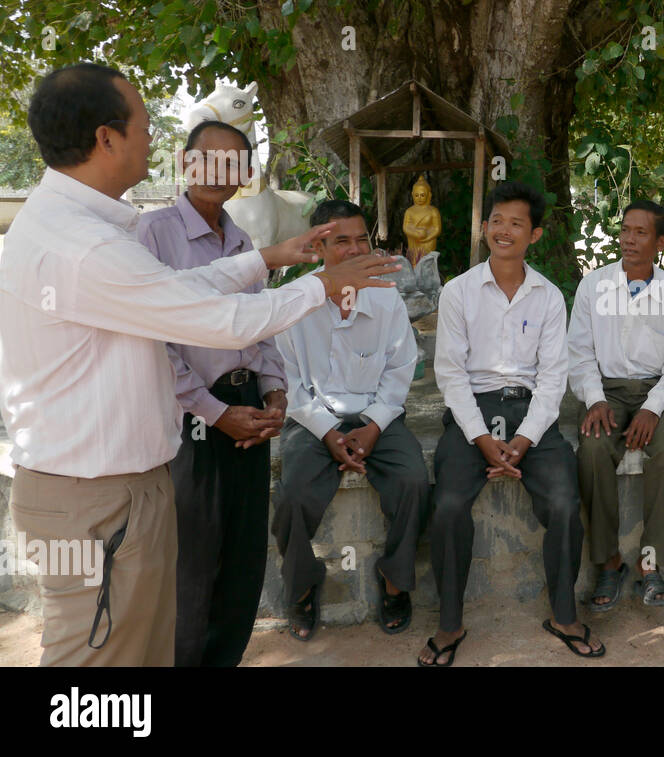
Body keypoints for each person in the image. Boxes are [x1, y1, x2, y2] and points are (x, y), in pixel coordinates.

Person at [0, 63, 398, 666]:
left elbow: (186, 288)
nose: (153, 139)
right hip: (96, 496)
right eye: (142, 125)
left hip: (111, 488)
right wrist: (322, 284)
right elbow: (216, 319)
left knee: (136, 646)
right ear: (107, 139)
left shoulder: (83, 229)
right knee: (94, 662)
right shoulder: (89, 246)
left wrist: (263, 258)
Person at [422, 180, 597, 666]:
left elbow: (553, 377)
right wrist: (480, 439)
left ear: (534, 235)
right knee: (449, 505)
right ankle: (450, 623)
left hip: (530, 417)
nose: (505, 230)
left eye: (517, 223)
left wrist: (522, 439)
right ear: (483, 228)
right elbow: (451, 375)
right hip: (471, 414)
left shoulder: (548, 297)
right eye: (496, 221)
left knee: (564, 502)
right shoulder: (458, 292)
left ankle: (564, 615)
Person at [136, 120, 291, 666]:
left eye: (234, 163)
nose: (220, 172)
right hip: (193, 422)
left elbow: (260, 329)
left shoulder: (244, 243)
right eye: (209, 158)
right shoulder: (151, 234)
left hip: (249, 415)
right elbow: (153, 340)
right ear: (186, 161)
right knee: (192, 565)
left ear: (246, 175)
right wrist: (215, 412)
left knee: (243, 558)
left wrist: (275, 395)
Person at [273, 200, 432, 641]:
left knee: (414, 481)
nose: (356, 249)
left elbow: (400, 372)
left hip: (376, 415)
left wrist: (376, 425)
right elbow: (288, 385)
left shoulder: (386, 298)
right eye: (342, 240)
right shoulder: (294, 303)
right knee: (292, 495)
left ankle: (395, 579)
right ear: (319, 244)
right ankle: (303, 586)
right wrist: (326, 433)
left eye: (362, 239)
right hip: (311, 418)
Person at [569, 199, 664, 610]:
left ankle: (649, 564)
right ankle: (609, 563)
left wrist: (653, 407)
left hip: (658, 392)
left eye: (640, 232)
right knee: (591, 450)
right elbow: (579, 352)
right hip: (605, 392)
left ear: (661, 241)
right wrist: (594, 399)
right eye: (625, 230)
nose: (628, 239)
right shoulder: (593, 285)